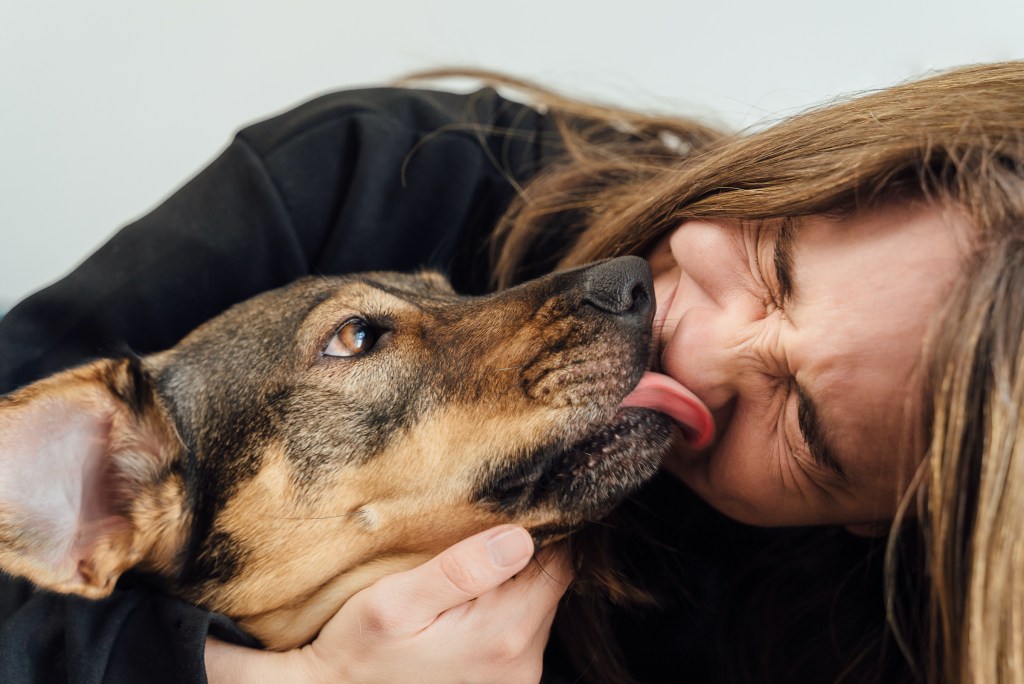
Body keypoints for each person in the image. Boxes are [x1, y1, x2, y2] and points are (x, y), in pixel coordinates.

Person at [1, 61, 1022, 683]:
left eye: (805, 426)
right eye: (773, 263)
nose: (691, 351)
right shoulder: (386, 174)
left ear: (883, 525)